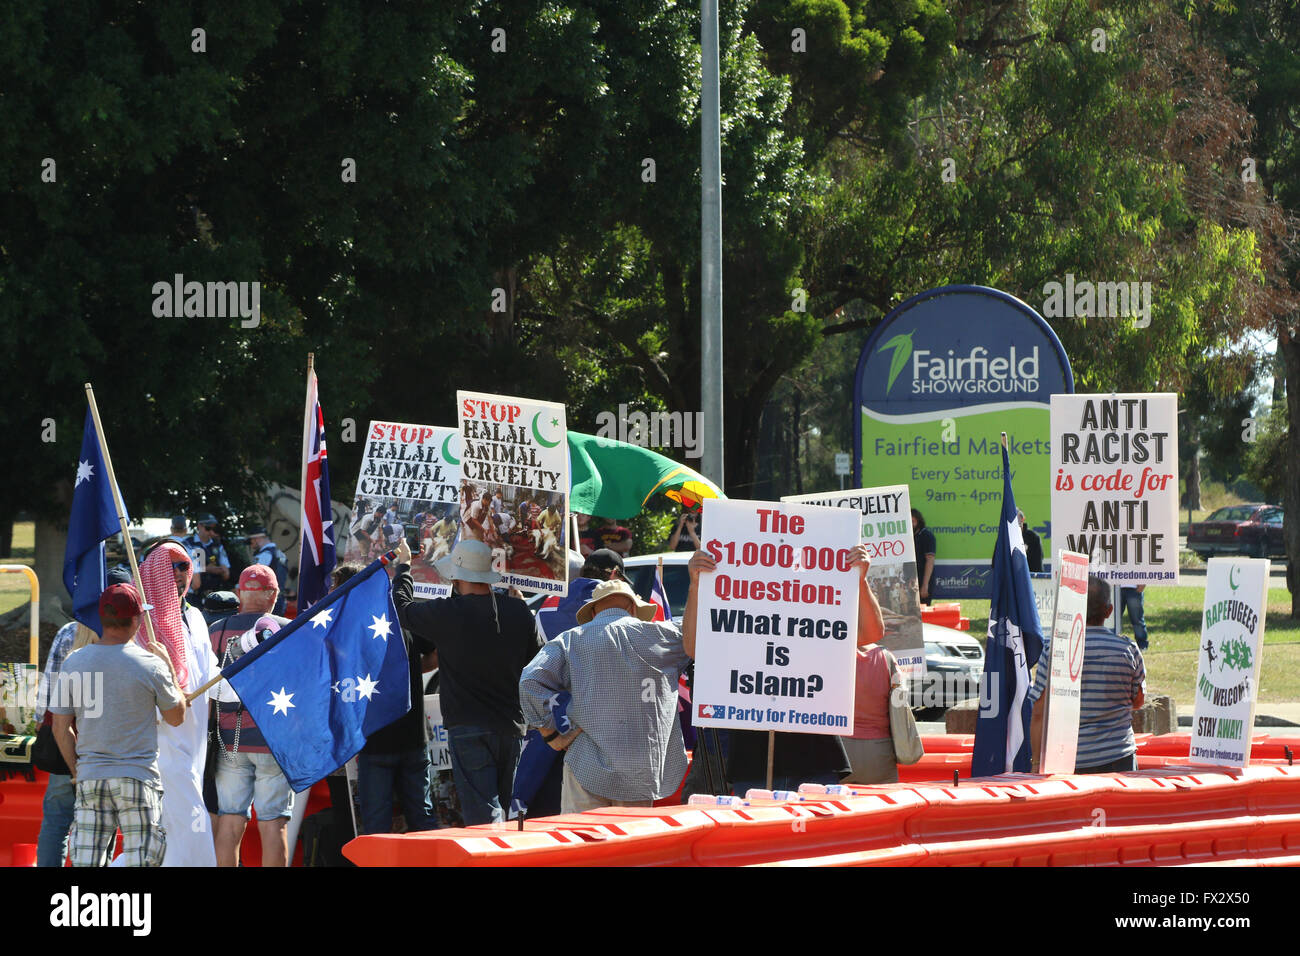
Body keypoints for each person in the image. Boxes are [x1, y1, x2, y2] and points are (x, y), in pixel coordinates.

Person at [709, 543, 885, 795]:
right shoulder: (740, 616)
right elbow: (695, 646)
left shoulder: (818, 614)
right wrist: (695, 584)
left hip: (815, 757)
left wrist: (860, 581)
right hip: (753, 761)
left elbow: (872, 633)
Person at [519, 568, 699, 813]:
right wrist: (694, 585)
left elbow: (530, 681)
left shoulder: (570, 640)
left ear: (593, 611)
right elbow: (693, 639)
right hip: (639, 771)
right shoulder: (661, 636)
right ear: (634, 608)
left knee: (581, 845)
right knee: (629, 847)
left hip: (586, 766)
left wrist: (552, 737)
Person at [392, 538, 541, 825]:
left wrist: (404, 568)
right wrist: (522, 611)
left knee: (483, 816)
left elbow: (402, 609)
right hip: (511, 726)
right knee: (507, 811)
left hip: (468, 726)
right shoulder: (518, 611)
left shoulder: (447, 612)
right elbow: (536, 662)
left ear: (457, 576)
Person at [49, 583, 187, 867]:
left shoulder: (75, 662)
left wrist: (78, 772)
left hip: (91, 776)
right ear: (136, 619)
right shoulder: (151, 665)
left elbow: (60, 728)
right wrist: (169, 668)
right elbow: (176, 717)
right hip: (138, 777)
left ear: (102, 618)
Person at [512, 549, 626, 816]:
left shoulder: (547, 604)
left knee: (549, 803)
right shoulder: (614, 606)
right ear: (614, 574)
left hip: (551, 721)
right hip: (603, 723)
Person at [138, 541, 220, 867]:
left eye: (184, 566)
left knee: (173, 829)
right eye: (169, 567)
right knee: (190, 821)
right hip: (161, 740)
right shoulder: (142, 621)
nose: (178, 574)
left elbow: (209, 673)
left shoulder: (197, 617)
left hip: (195, 737)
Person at [341, 559, 439, 835]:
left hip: (377, 742)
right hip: (411, 738)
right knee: (423, 822)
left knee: (377, 828)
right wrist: (404, 674)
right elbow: (434, 655)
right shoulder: (400, 612)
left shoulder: (346, 629)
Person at [208, 565, 294, 866]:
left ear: (241, 593)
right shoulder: (288, 629)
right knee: (274, 822)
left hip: (230, 740)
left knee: (230, 820)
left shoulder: (217, 631)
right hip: (274, 740)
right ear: (273, 596)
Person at [1029, 575, 1146, 773]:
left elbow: (1039, 711)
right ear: (1108, 611)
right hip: (1119, 757)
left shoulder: (1054, 649)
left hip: (1066, 760)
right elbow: (1138, 701)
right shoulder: (1128, 649)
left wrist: (1035, 763)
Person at [841, 642, 903, 785]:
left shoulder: (834, 653)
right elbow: (900, 700)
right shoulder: (886, 657)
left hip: (840, 753)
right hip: (879, 752)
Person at [184, 514, 230, 599]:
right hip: (196, 595)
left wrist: (221, 570)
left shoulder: (218, 545)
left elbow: (226, 574)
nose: (211, 532)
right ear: (199, 526)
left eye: (214, 529)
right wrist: (208, 569)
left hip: (217, 594)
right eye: (208, 528)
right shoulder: (188, 544)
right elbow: (186, 570)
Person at [247, 526, 289, 615]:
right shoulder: (280, 554)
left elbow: (253, 577)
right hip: (280, 598)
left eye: (251, 541)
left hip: (267, 600)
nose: (251, 544)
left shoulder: (264, 555)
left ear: (257, 539)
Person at [911, 508, 936, 606]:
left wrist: (925, 585)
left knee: (923, 614)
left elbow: (930, 560)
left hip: (923, 581)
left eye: (913, 521)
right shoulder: (909, 536)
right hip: (912, 582)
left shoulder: (927, 536)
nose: (910, 524)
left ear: (919, 521)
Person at [1120, 584, 1148, 651]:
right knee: (1112, 620)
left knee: (1137, 619)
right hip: (1116, 588)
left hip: (1134, 589)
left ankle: (1142, 645)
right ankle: (1111, 642)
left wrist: (1143, 584)